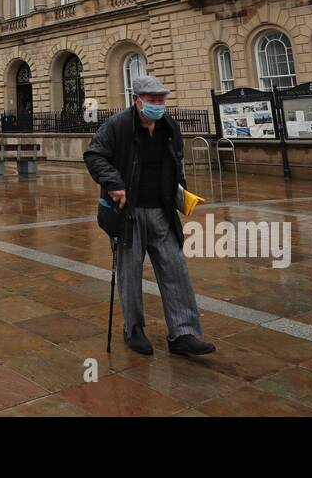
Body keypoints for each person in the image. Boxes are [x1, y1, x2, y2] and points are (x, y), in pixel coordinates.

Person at [84, 76, 215, 357]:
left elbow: (175, 162)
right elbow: (94, 155)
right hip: (127, 213)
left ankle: (183, 332)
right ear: (137, 100)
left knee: (175, 268)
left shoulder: (169, 127)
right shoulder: (117, 126)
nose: (158, 105)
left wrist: (181, 193)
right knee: (129, 273)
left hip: (161, 211)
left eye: (161, 100)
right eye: (152, 100)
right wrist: (114, 183)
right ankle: (134, 329)